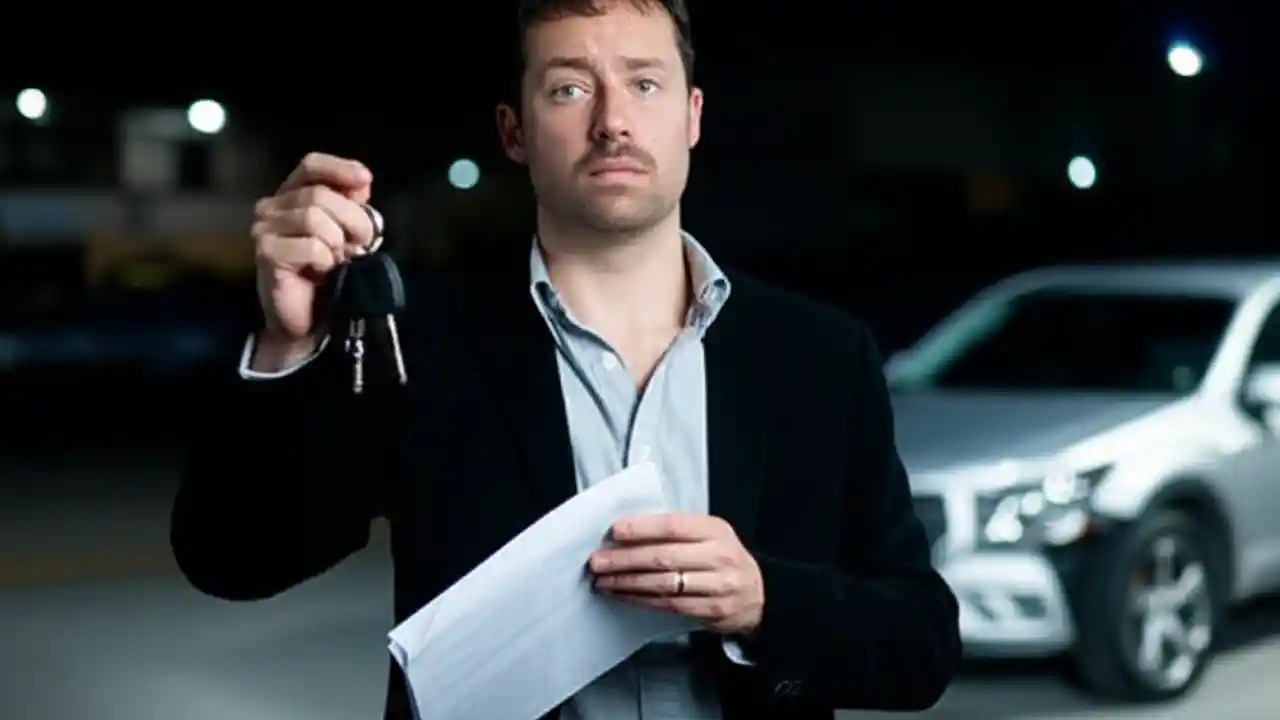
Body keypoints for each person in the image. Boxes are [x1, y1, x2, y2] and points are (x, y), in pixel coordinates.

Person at [169, 0, 961, 718]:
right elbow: (233, 560)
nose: (613, 122)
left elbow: (920, 647)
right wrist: (287, 344)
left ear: (692, 116)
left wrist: (764, 602)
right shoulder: (426, 347)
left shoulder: (819, 355)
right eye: (569, 89)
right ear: (514, 132)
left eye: (644, 84)